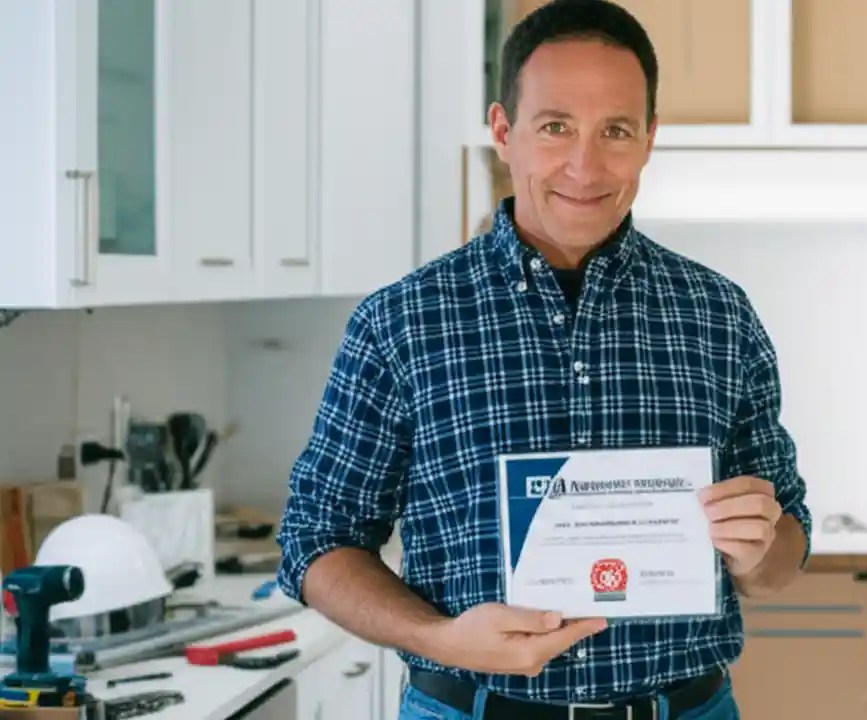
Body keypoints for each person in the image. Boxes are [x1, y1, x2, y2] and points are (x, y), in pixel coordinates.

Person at [275, 1, 812, 717]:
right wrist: (443, 638)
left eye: (616, 131)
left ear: (650, 138)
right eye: (556, 126)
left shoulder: (719, 315)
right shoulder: (399, 324)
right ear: (505, 131)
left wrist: (759, 551)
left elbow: (783, 557)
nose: (585, 166)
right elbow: (316, 542)